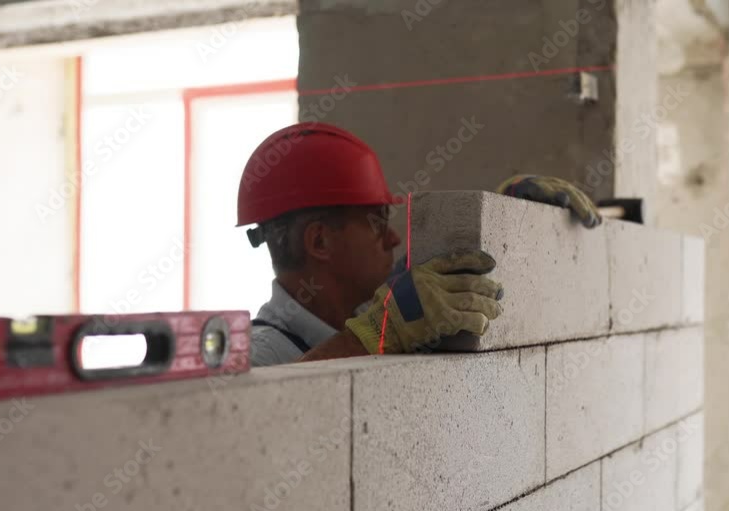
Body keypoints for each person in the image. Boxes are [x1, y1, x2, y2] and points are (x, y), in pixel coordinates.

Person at [237, 122, 601, 367]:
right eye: (378, 222)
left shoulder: (366, 315)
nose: (393, 238)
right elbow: (273, 413)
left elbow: (427, 284)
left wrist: (506, 220)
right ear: (320, 241)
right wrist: (371, 337)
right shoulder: (257, 357)